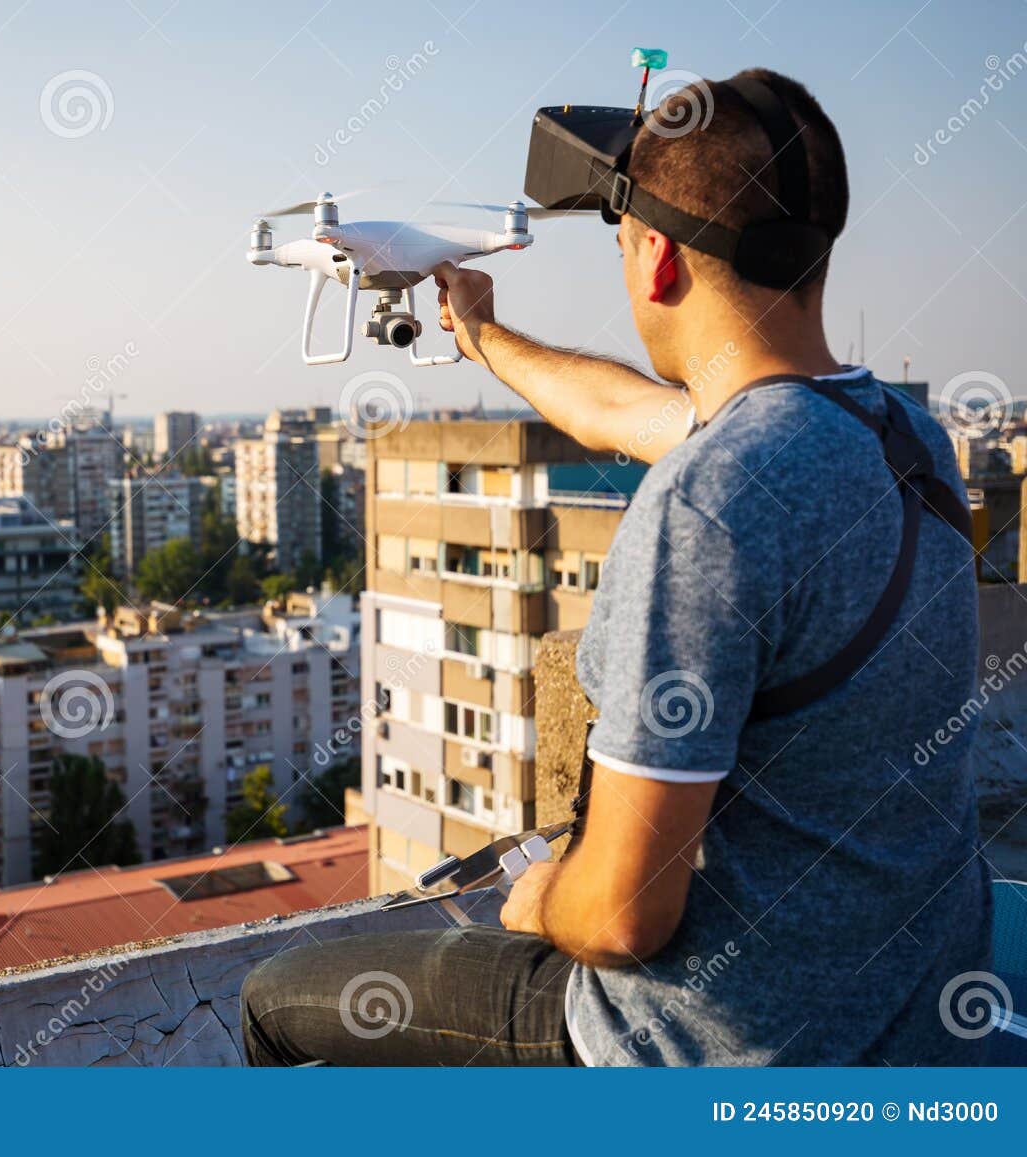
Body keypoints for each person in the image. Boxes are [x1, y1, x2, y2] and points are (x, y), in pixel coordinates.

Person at [240, 68, 991, 1066]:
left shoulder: (704, 506)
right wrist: (486, 337)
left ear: (657, 260)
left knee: (274, 997)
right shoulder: (903, 440)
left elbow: (625, 915)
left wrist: (541, 894)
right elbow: (628, 412)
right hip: (916, 1011)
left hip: (716, 1044)